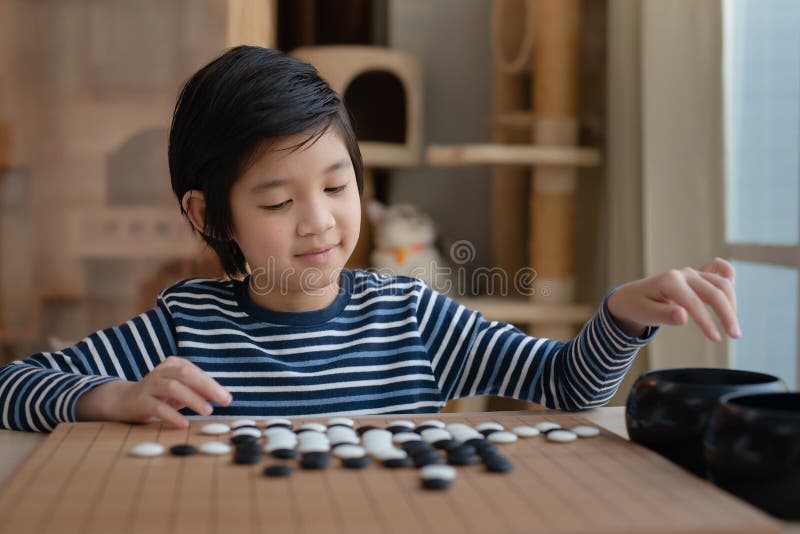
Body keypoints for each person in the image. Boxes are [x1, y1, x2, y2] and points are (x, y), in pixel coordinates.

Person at [0, 46, 740, 432]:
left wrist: (623, 316)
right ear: (207, 216)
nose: (320, 222)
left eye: (336, 185)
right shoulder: (184, 325)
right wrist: (117, 397)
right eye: (278, 200)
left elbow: (568, 387)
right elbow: (12, 387)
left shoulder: (412, 317)